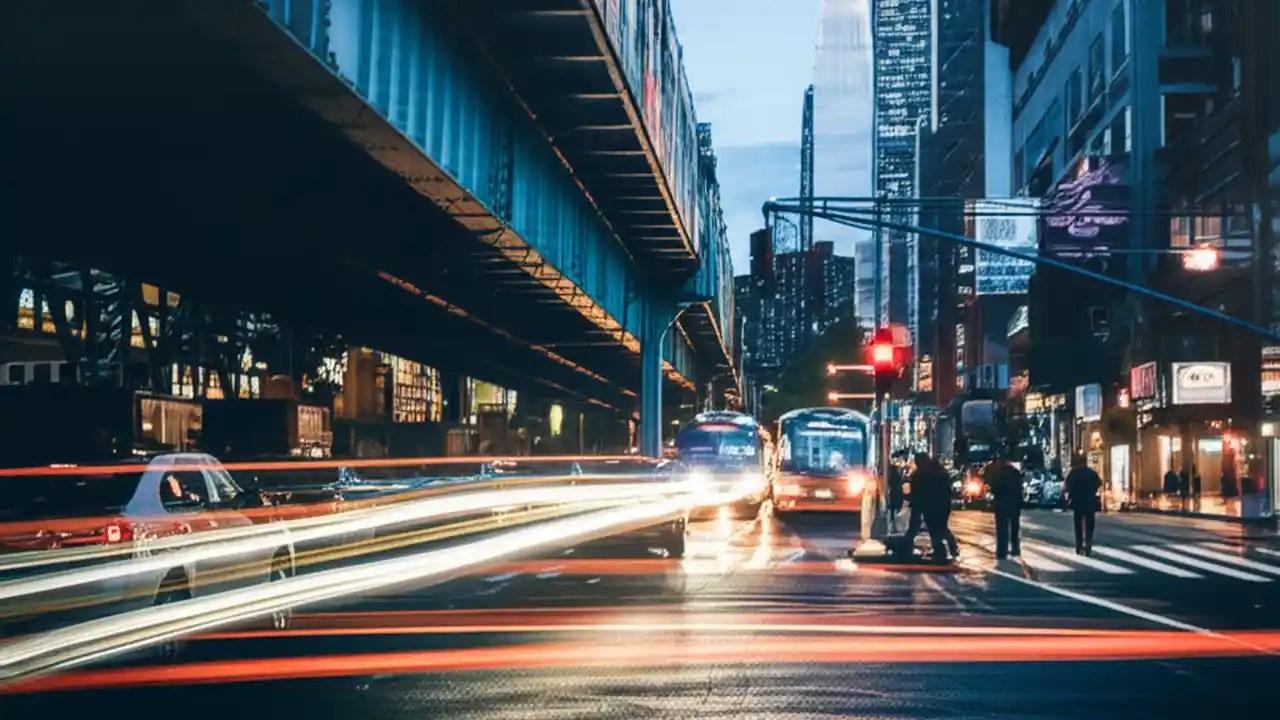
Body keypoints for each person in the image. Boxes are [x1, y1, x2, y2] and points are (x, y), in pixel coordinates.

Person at [905, 453, 954, 562]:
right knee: (940, 527)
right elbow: (947, 489)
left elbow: (917, 493)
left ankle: (940, 550)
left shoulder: (919, 475)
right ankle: (949, 549)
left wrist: (915, 505)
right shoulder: (939, 471)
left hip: (928, 504)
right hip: (941, 504)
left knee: (934, 528)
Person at [983, 451, 1024, 560]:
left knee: (1002, 528)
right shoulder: (1014, 472)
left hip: (1001, 503)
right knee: (1014, 527)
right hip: (1014, 502)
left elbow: (991, 484)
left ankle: (1002, 551)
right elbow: (1019, 488)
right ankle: (1015, 549)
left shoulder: (996, 472)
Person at [1064, 455, 1102, 556]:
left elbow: (1067, 486)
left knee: (1078, 524)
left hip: (1077, 501)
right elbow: (1099, 483)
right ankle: (1088, 544)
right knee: (1089, 525)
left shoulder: (1074, 473)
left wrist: (1070, 495)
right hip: (1090, 500)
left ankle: (1079, 546)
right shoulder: (1091, 473)